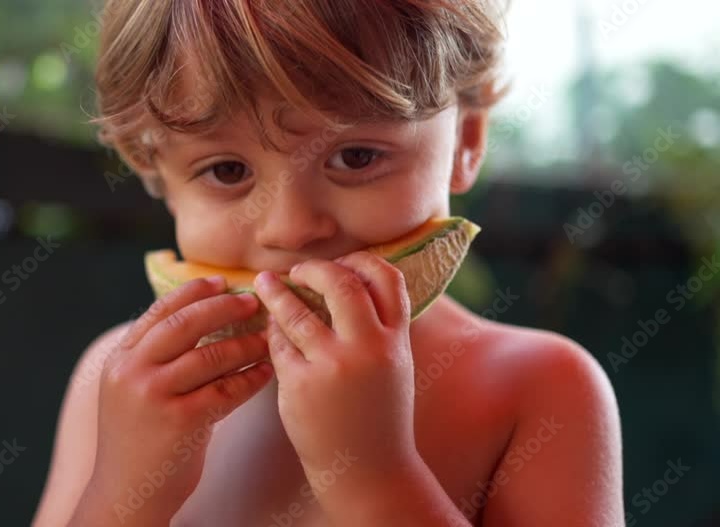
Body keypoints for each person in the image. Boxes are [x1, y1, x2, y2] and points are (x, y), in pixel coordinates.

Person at [34, 1, 623, 525]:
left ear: (467, 141)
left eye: (357, 156)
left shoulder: (540, 387)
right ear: (153, 170)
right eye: (227, 171)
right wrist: (124, 496)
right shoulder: (113, 382)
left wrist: (373, 475)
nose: (291, 227)